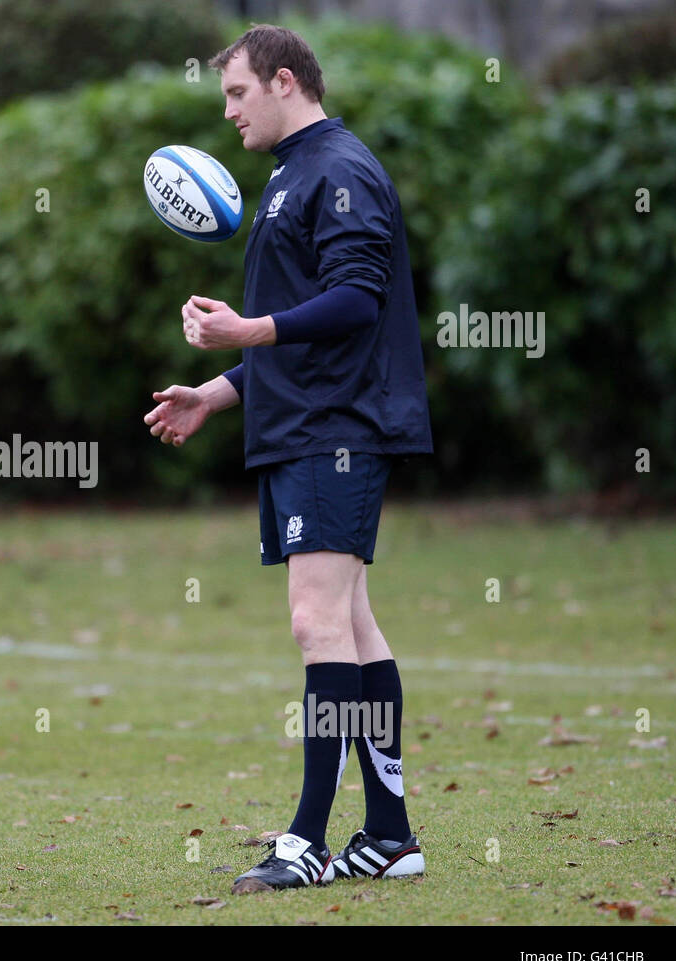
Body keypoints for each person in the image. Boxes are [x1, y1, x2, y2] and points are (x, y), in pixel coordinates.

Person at [143, 24, 432, 891]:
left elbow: (355, 299)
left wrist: (248, 328)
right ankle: (389, 835)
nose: (226, 112)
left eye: (234, 94)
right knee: (351, 624)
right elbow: (303, 332)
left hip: (336, 433)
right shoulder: (288, 176)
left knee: (316, 623)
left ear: (280, 82)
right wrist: (219, 390)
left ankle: (307, 838)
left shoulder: (337, 168)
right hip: (307, 423)